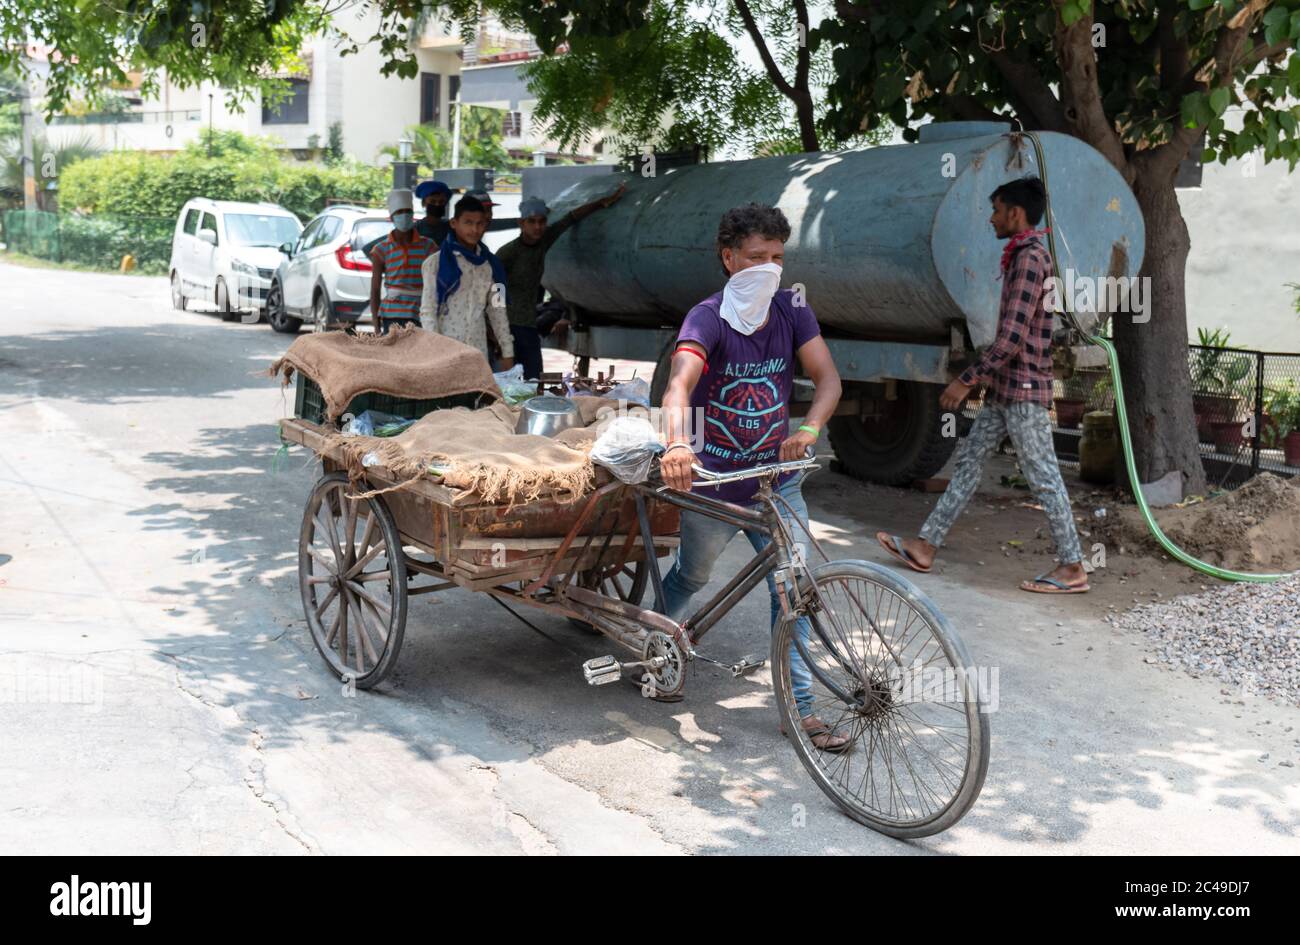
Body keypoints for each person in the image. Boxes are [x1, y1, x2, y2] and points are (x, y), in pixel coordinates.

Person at [658, 203, 847, 752]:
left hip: (777, 479)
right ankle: (658, 646)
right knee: (692, 577)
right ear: (729, 258)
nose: (769, 267)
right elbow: (679, 386)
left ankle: (800, 708)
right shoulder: (707, 317)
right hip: (714, 480)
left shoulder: (793, 310)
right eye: (756, 257)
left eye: (778, 257)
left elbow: (827, 379)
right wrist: (676, 443)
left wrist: (810, 430)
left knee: (794, 591)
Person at [876, 176, 1089, 594]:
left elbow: (1011, 338)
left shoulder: (1030, 259)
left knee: (1044, 476)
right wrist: (985, 383)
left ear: (1015, 213)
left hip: (1024, 391)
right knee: (969, 465)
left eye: (996, 210)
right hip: (1006, 390)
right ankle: (925, 546)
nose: (991, 219)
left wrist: (966, 380)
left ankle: (1073, 567)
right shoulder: (1021, 256)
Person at [496, 183, 627, 380]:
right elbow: (493, 289)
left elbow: (571, 218)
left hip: (529, 325)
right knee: (508, 382)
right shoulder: (508, 253)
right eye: (531, 221)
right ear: (521, 223)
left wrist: (601, 203)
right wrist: (496, 332)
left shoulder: (544, 239)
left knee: (533, 381)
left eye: (541, 221)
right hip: (508, 327)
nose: (538, 226)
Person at [419, 195, 514, 368]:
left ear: (485, 224)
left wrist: (507, 350)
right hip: (444, 353)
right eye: (468, 223)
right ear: (454, 223)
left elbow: (498, 310)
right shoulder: (434, 264)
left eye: (479, 223)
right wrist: (434, 352)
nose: (474, 229)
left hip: (477, 353)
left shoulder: (493, 266)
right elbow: (428, 311)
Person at [368, 189, 437, 334]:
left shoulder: (429, 246)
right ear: (392, 217)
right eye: (399, 212)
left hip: (422, 313)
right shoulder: (381, 250)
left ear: (412, 214)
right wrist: (376, 322)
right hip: (392, 315)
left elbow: (437, 281)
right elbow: (375, 289)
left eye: (407, 211)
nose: (404, 216)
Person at [414, 179, 452, 244]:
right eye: (432, 201)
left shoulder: (451, 227)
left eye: (441, 202)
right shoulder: (416, 229)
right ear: (423, 203)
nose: (437, 205)